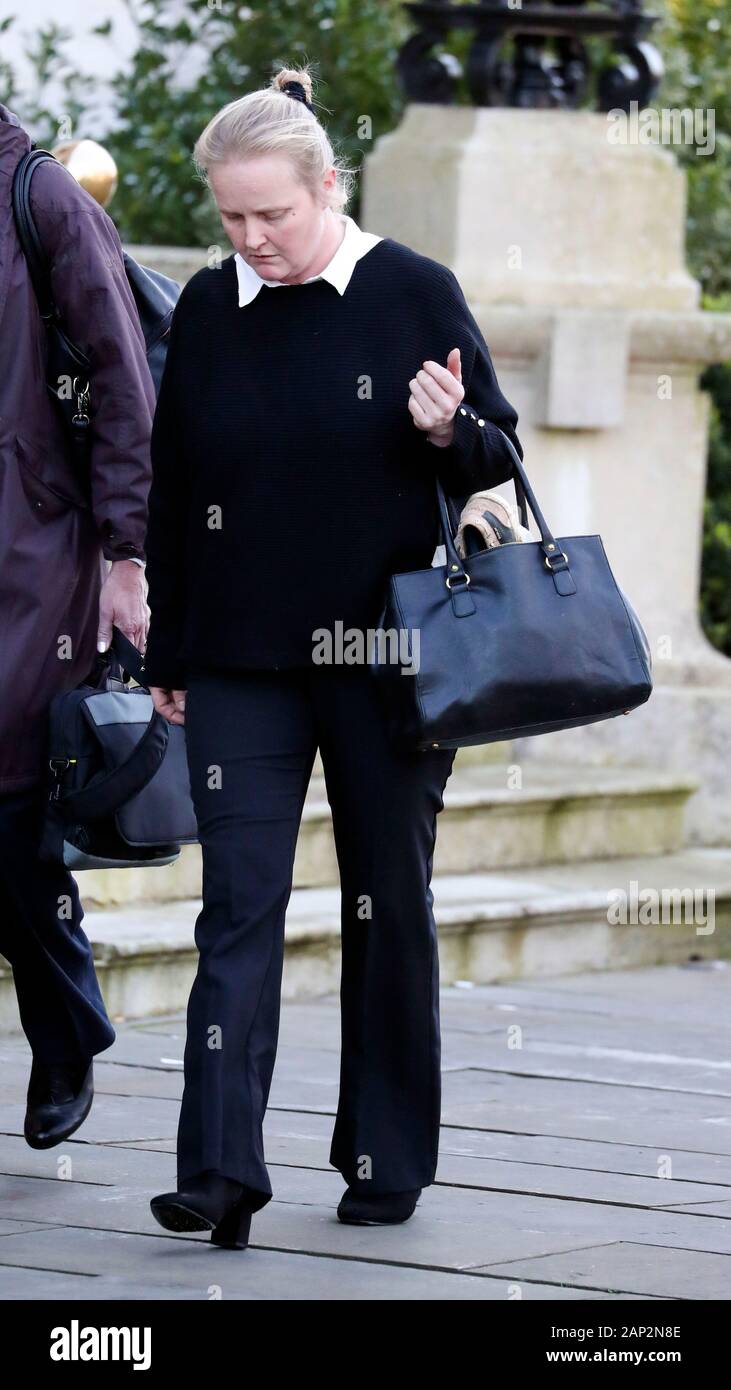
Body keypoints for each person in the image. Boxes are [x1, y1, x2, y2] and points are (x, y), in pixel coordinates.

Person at [145, 65, 522, 1251]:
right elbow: (172, 488)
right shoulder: (208, 307)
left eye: (274, 214)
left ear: (328, 185)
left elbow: (496, 462)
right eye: (231, 218)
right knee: (235, 908)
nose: (253, 239)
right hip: (241, 659)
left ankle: (382, 1154)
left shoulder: (412, 293)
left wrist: (444, 429)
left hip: (387, 655)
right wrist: (167, 647)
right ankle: (216, 1171)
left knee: (385, 901)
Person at [0, 103, 154, 1148]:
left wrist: (127, 551)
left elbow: (123, 379)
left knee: (9, 812)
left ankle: (64, 1031)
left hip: (31, 552)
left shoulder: (43, 197)